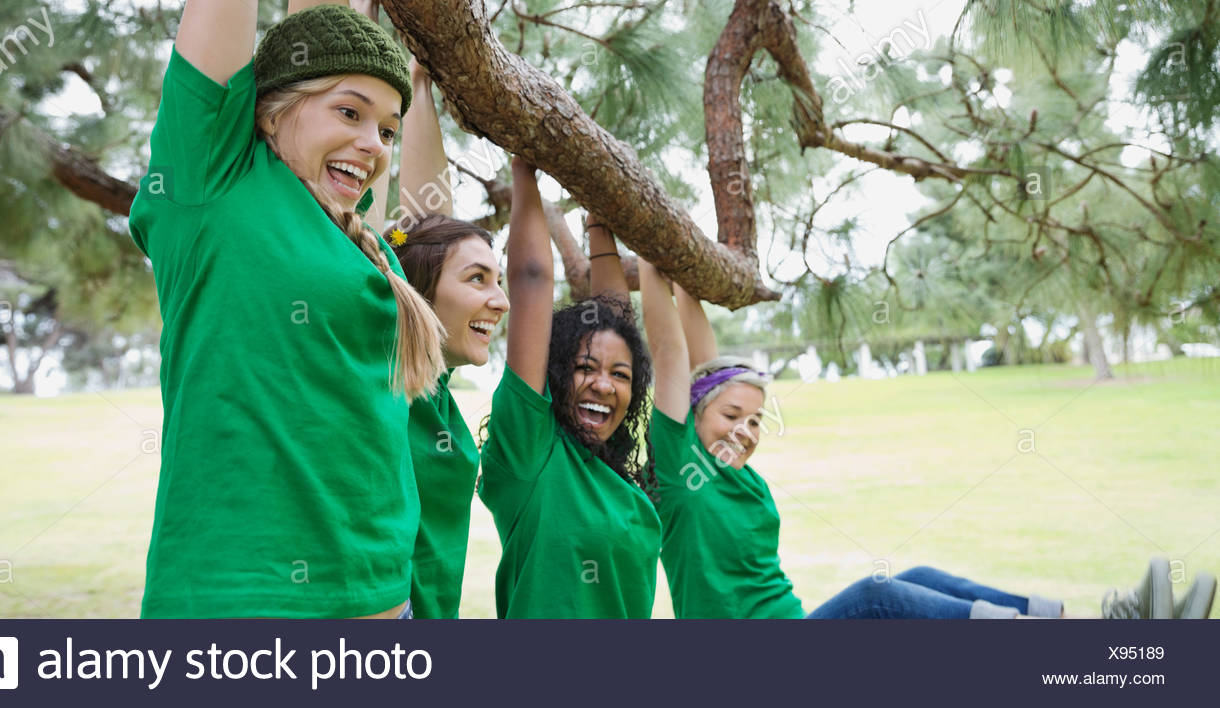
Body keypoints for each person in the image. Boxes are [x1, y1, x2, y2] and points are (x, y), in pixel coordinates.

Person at [128, 0, 443, 618]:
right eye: (350, 114)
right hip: (240, 610)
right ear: (274, 112)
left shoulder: (355, 230)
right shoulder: (212, 185)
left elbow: (326, 36)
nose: (374, 146)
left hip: (383, 602)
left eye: (387, 126)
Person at [637, 259, 1215, 619]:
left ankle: (1097, 626)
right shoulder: (679, 472)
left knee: (914, 579)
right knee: (874, 597)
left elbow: (707, 368)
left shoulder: (745, 481)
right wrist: (646, 250)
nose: (745, 429)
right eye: (732, 415)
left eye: (757, 420)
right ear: (691, 415)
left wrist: (686, 269)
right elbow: (673, 354)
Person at [476, 165, 660, 617]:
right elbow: (532, 280)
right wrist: (525, 166)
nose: (603, 383)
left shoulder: (616, 475)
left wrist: (599, 216)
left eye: (620, 375)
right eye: (584, 368)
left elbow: (617, 319)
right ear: (556, 373)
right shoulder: (532, 454)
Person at [383, 55, 511, 619]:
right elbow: (420, 231)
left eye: (499, 280)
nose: (501, 301)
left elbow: (429, 225)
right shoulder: (382, 369)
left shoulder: (433, 387)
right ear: (421, 290)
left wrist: (418, 83)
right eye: (478, 279)